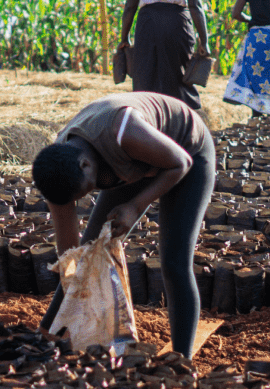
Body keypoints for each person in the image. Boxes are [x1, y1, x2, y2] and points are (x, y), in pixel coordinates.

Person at [32, 92, 214, 358]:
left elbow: (180, 163)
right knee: (90, 248)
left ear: (85, 164)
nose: (84, 197)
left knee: (174, 263)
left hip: (185, 153)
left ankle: (181, 361)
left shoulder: (123, 131)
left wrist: (134, 207)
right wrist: (51, 332)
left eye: (86, 191)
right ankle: (48, 331)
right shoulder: (57, 174)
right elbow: (71, 256)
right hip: (132, 162)